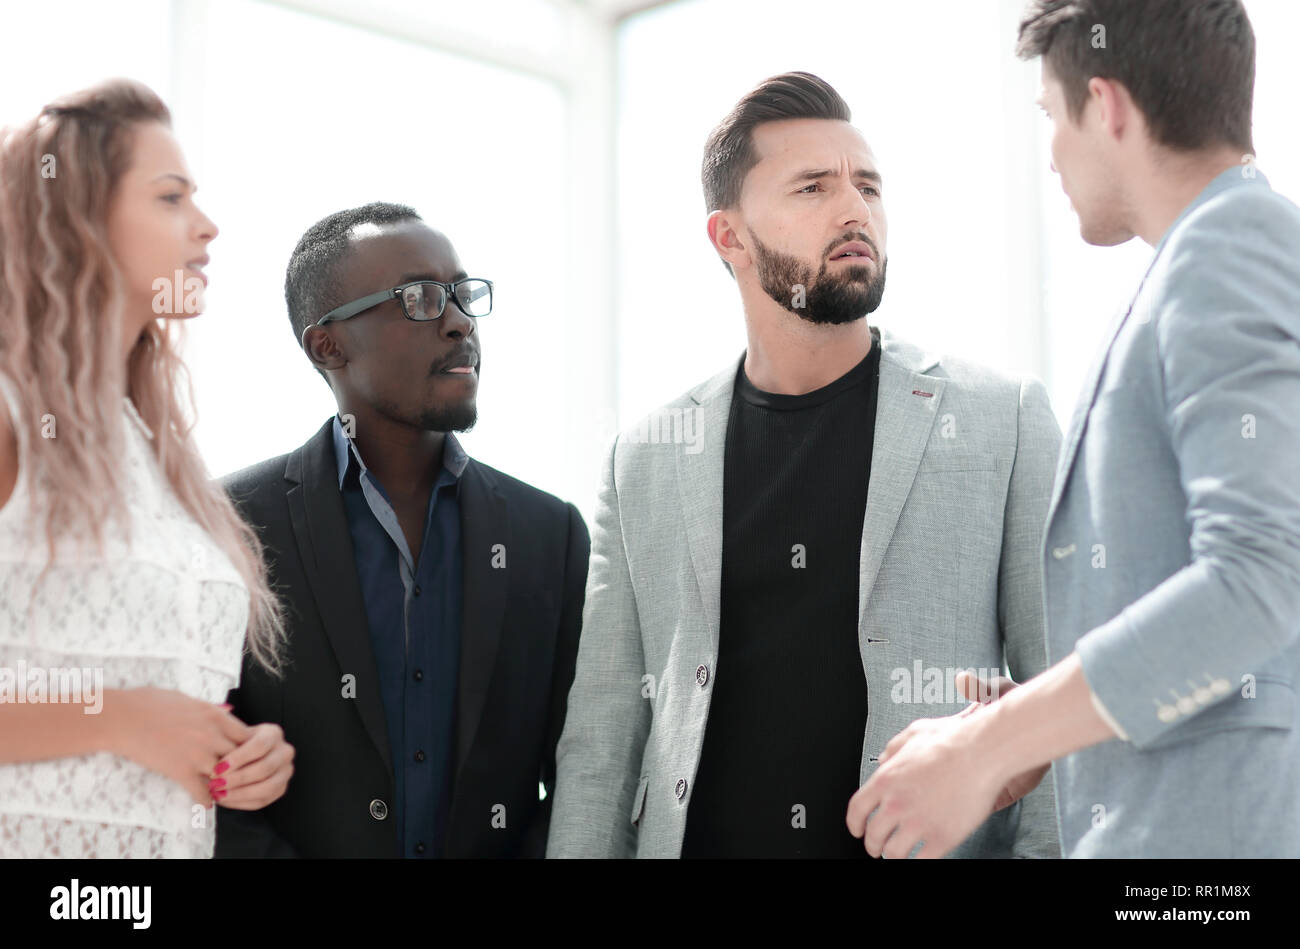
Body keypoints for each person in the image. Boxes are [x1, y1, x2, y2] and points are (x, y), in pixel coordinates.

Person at [547, 72, 1062, 859]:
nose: (855, 209)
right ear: (730, 238)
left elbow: (1060, 695)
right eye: (813, 187)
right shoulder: (645, 456)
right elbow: (604, 737)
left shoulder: (1004, 419)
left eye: (868, 186)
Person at [848, 0, 1300, 858]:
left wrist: (991, 743)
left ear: (1110, 106)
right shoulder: (1216, 253)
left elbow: (1260, 577)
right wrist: (1036, 728)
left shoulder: (1229, 246)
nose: (1051, 154)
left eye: (1054, 117)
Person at [214, 203, 590, 858]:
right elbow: (201, 780)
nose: (458, 320)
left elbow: (585, 769)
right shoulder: (230, 525)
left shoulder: (549, 534)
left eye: (461, 294)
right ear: (326, 344)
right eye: (418, 298)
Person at [0, 78, 293, 858]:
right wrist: (121, 717)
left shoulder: (158, 450)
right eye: (170, 198)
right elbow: (130, 713)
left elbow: (163, 702)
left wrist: (235, 753)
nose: (208, 226)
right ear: (75, 216)